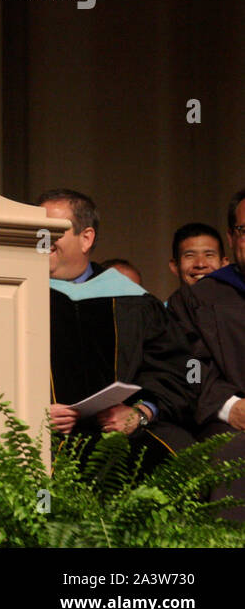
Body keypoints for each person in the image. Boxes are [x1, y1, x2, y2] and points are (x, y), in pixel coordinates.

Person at [39, 189, 195, 471]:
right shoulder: (12, 295)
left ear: (86, 238)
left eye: (53, 232)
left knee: (183, 461)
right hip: (43, 440)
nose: (42, 240)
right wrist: (30, 412)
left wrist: (141, 413)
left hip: (123, 437)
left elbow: (177, 370)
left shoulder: (132, 301)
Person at [167, 189, 245, 516]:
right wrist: (232, 407)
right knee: (233, 453)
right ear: (232, 237)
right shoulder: (197, 299)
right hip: (233, 422)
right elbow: (192, 368)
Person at [165, 222, 225, 314]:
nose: (200, 264)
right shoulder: (160, 319)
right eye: (190, 256)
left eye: (209, 255)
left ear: (224, 264)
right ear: (175, 266)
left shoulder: (239, 313)